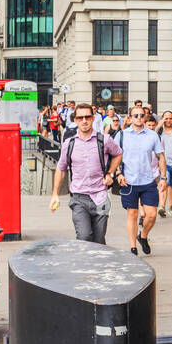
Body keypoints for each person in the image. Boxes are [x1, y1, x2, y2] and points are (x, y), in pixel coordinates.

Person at [50, 102, 122, 243]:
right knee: (84, 236)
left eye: (87, 117)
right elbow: (61, 168)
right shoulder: (69, 144)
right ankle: (84, 264)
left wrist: (110, 173)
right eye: (80, 118)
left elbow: (118, 154)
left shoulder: (104, 140)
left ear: (93, 118)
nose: (84, 121)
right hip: (79, 198)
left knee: (99, 240)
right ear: (75, 120)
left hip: (100, 195)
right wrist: (55, 194)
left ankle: (97, 264)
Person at [115, 103, 166, 256]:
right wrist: (118, 174)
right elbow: (115, 156)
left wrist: (163, 177)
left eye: (141, 115)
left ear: (145, 117)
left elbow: (161, 157)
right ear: (129, 118)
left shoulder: (152, 135)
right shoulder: (122, 135)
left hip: (148, 181)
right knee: (132, 214)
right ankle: (133, 248)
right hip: (128, 181)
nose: (138, 118)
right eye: (135, 115)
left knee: (151, 215)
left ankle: (142, 236)